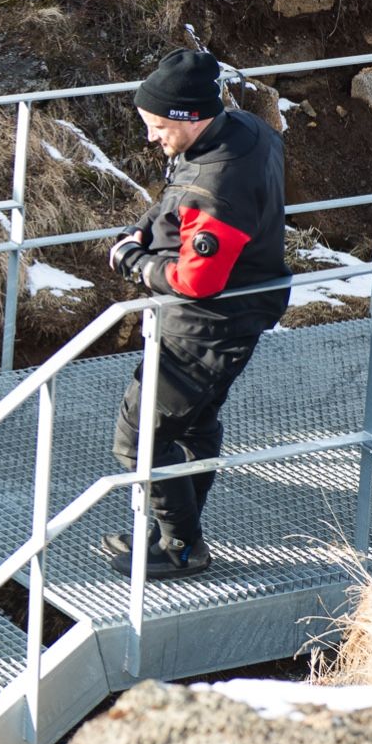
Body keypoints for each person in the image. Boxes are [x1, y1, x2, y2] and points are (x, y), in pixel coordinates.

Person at [103, 48, 288, 579]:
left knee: (137, 438)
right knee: (193, 422)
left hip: (205, 326)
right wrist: (148, 226)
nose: (151, 137)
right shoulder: (245, 129)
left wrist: (133, 260)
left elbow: (197, 279)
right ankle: (168, 529)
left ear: (191, 116)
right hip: (239, 313)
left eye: (159, 125)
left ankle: (183, 548)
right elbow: (179, 192)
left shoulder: (219, 186)